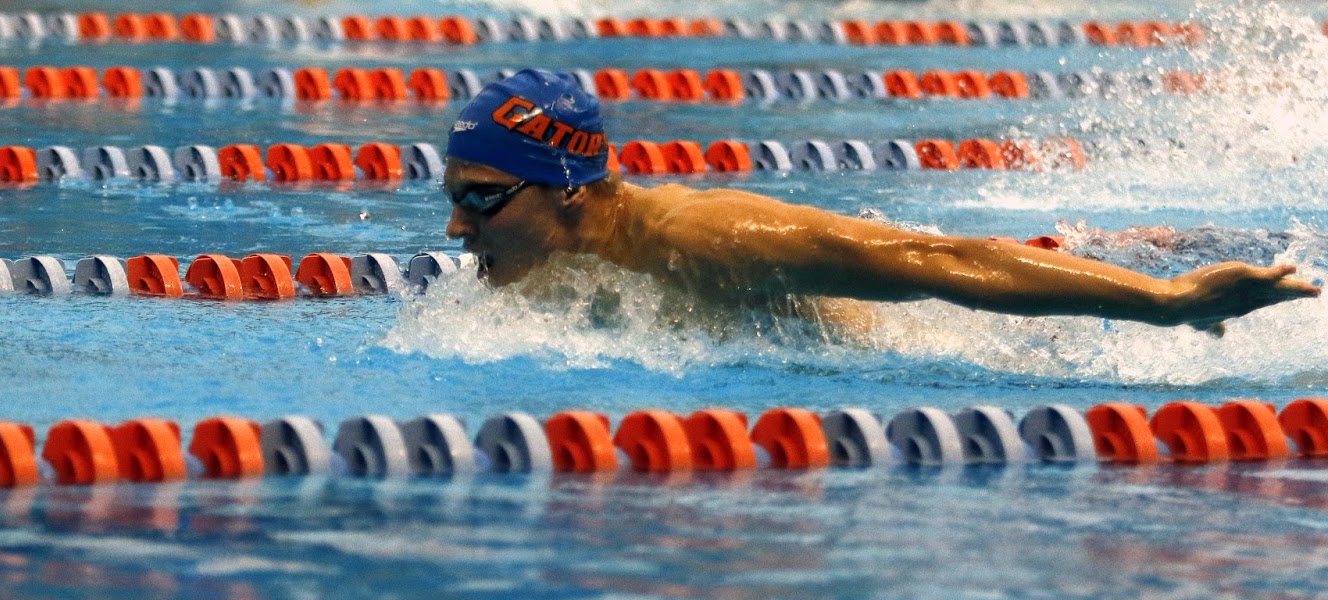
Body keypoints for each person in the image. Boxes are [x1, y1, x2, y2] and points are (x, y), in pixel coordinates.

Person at [442, 69, 1318, 337]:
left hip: (988, 331)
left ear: (569, 189)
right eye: (454, 201)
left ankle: (1172, 259)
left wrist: (1166, 302)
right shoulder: (565, 258)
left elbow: (935, 261)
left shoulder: (708, 236)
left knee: (1165, 257)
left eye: (481, 200)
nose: (456, 229)